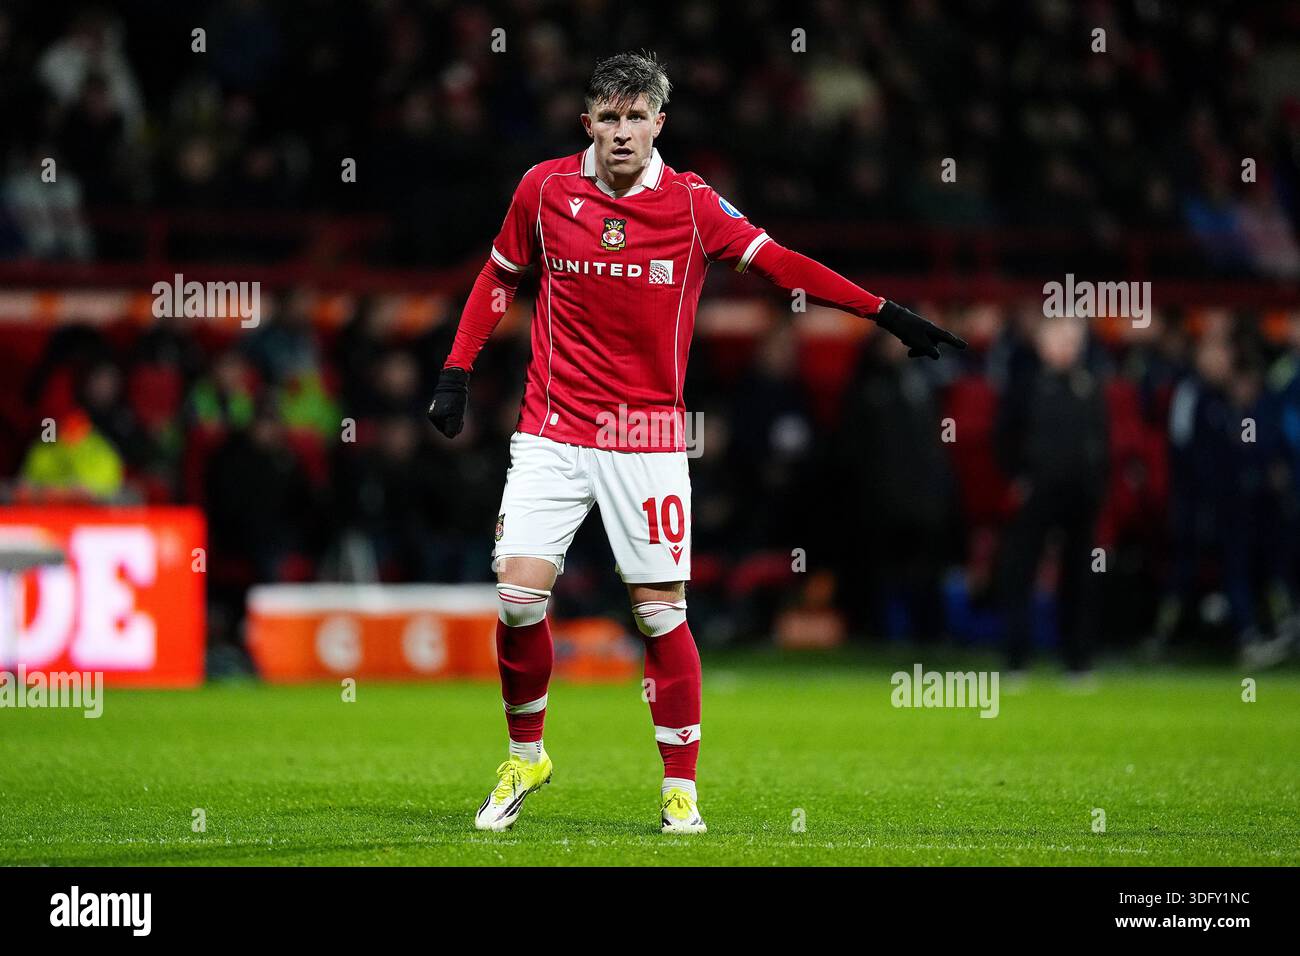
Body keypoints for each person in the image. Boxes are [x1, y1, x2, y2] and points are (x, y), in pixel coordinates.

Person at [426, 51, 965, 834]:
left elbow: (781, 264)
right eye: (607, 117)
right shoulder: (543, 189)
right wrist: (456, 370)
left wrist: (883, 312)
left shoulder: (691, 205)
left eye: (635, 116)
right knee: (516, 597)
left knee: (657, 613)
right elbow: (497, 275)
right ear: (588, 123)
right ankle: (526, 754)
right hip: (553, 426)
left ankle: (680, 784)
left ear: (659, 124)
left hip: (646, 437)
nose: (620, 132)